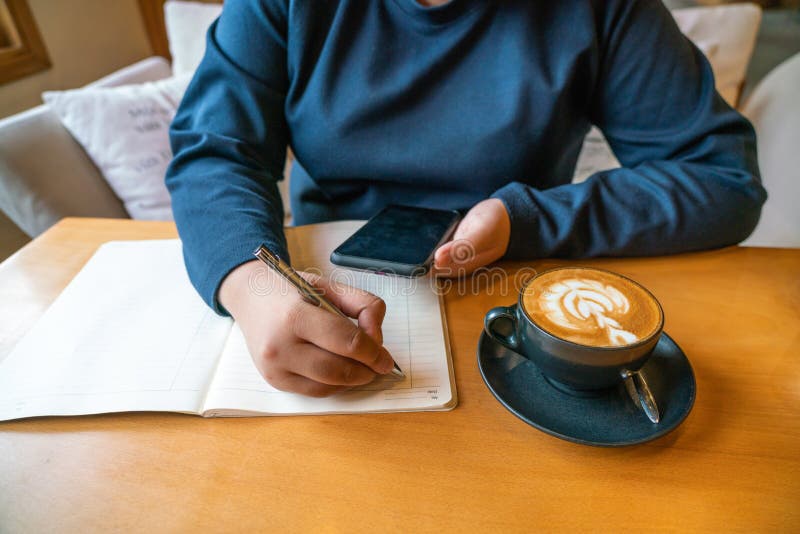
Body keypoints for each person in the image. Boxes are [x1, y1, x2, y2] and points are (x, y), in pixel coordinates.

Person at [166, 0, 766, 397]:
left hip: (519, 308)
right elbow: (215, 151)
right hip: (320, 289)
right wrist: (252, 283)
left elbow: (722, 179)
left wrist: (527, 220)